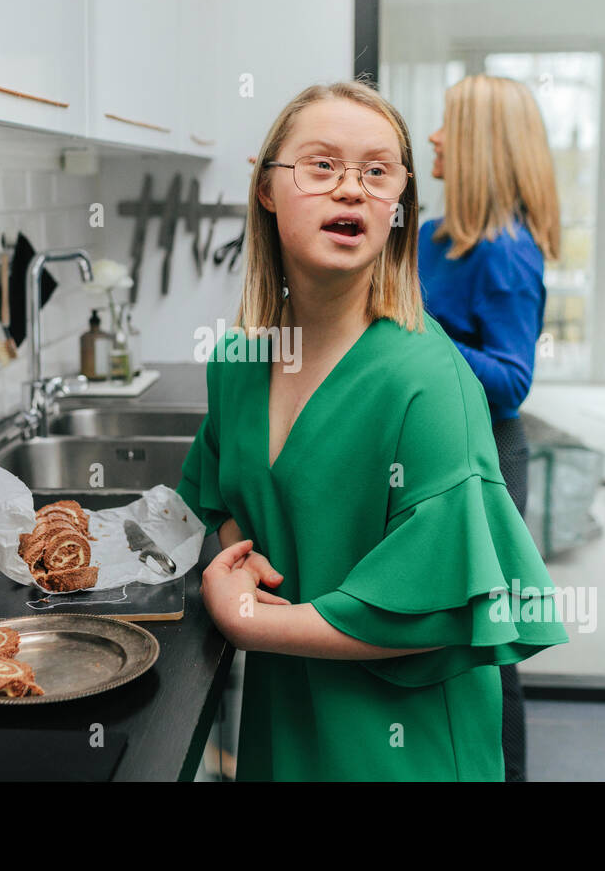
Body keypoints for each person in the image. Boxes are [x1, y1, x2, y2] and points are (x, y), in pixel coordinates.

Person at [176, 79, 567, 781]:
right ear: (267, 188)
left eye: (377, 171)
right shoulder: (238, 361)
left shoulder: (429, 381)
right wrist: (240, 559)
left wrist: (248, 621)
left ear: (397, 206)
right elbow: (222, 495)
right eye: (321, 165)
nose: (351, 189)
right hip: (285, 725)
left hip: (402, 750)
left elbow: (434, 608)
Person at [419, 74, 562, 782]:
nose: (434, 137)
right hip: (436, 456)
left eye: (447, 125)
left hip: (489, 465)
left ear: (481, 144)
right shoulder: (429, 239)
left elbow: (511, 382)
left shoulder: (504, 251)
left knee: (489, 648)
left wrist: (420, 331)